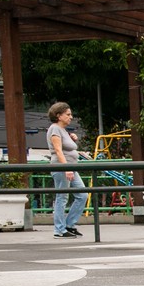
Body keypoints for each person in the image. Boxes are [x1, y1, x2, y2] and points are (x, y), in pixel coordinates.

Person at [47, 101, 88, 238]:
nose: (71, 117)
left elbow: (66, 147)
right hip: (62, 167)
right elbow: (58, 150)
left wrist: (72, 139)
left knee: (82, 195)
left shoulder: (63, 130)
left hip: (71, 167)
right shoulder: (54, 129)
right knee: (62, 197)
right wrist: (66, 168)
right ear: (59, 115)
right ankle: (59, 230)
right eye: (68, 114)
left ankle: (69, 224)